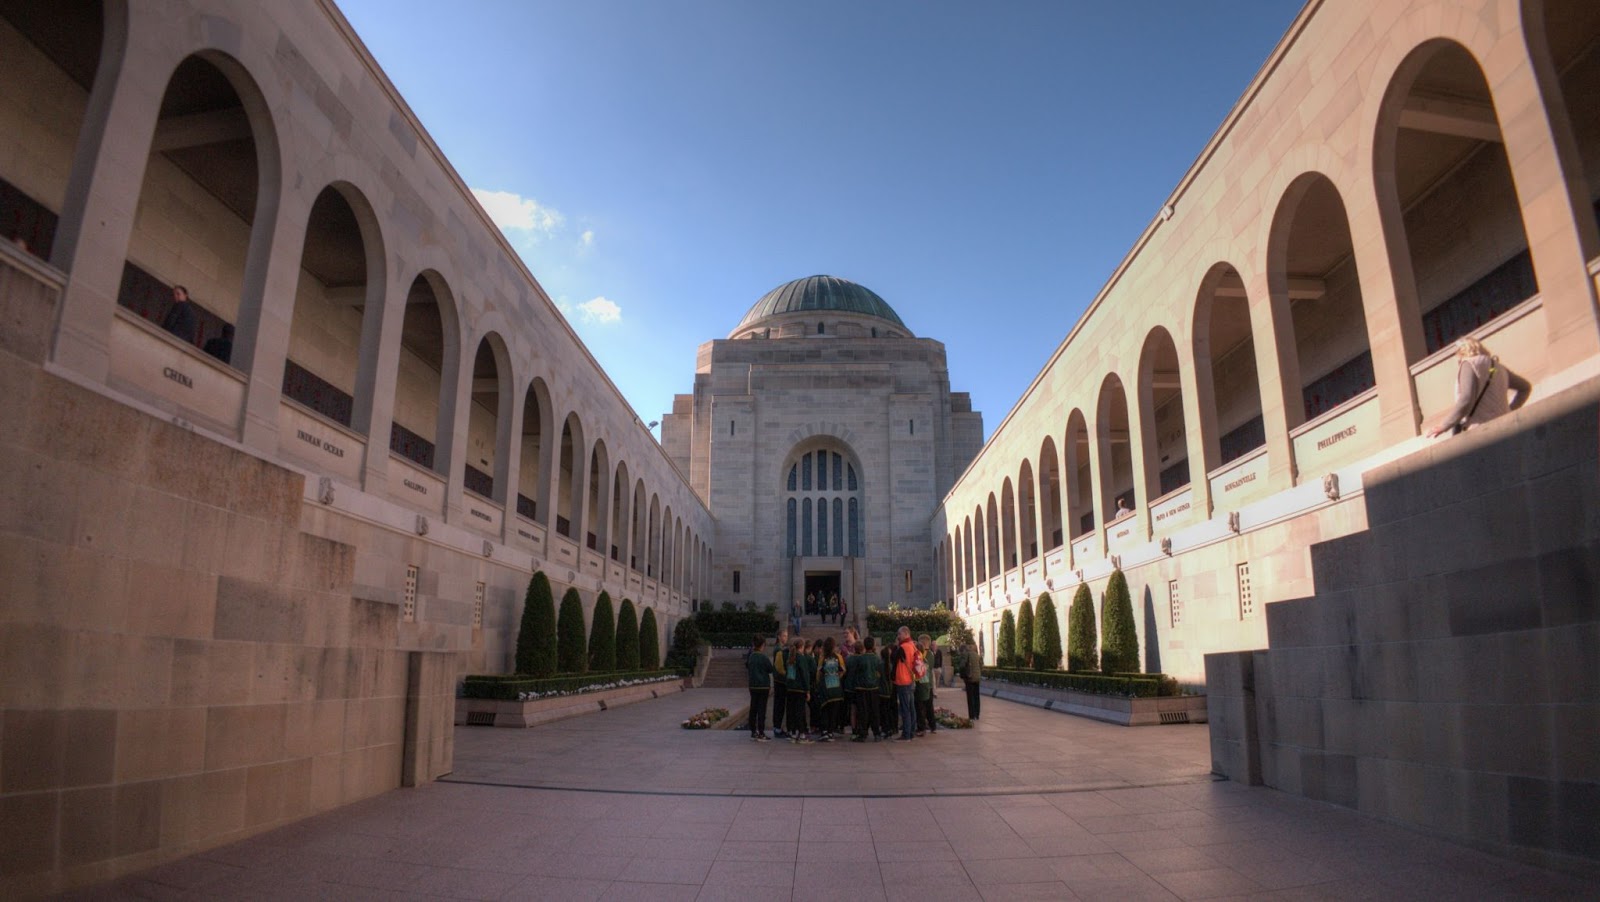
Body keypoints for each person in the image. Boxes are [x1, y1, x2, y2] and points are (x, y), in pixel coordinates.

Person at [1425, 337, 1527, 437]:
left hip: (1482, 431)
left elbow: (1466, 399)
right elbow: (1525, 388)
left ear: (1462, 352)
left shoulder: (1468, 364)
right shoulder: (1498, 368)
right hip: (1506, 427)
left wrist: (1444, 425)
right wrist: (1510, 410)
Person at [845, 636, 882, 742]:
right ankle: (876, 733)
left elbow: (856, 672)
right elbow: (879, 672)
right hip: (874, 687)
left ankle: (863, 733)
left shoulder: (860, 658)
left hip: (861, 688)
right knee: (874, 711)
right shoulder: (876, 658)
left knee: (863, 711)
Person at [891, 626, 921, 741]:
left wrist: (896, 645)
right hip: (910, 679)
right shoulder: (912, 645)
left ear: (905, 634)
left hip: (902, 680)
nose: (898, 636)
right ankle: (911, 731)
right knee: (911, 707)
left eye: (899, 634)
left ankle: (906, 734)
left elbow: (893, 657)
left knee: (905, 709)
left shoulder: (903, 647)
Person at [816, 637, 846, 741]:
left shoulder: (822, 658)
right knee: (834, 711)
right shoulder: (838, 657)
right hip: (836, 687)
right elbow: (843, 670)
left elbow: (818, 673)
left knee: (825, 709)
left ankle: (824, 731)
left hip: (826, 687)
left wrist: (818, 683)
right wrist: (837, 677)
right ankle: (830, 732)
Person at [745, 635, 774, 741]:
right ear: (762, 645)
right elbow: (770, 669)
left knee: (753, 708)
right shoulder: (763, 657)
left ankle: (753, 731)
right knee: (762, 709)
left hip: (753, 685)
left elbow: (747, 666)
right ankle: (761, 732)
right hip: (763, 686)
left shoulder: (751, 656)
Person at [784, 637, 812, 744]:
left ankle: (793, 733)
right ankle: (802, 735)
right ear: (802, 647)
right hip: (799, 689)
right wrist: (808, 690)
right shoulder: (801, 658)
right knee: (800, 712)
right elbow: (805, 675)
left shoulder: (790, 657)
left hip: (790, 688)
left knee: (791, 711)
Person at [914, 633, 938, 735]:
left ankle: (921, 728)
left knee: (920, 707)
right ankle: (933, 726)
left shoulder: (921, 654)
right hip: (929, 684)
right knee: (929, 707)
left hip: (921, 683)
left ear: (922, 643)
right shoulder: (932, 654)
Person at [770, 628, 790, 738]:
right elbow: (779, 667)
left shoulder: (781, 648)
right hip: (780, 681)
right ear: (779, 637)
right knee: (779, 705)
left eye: (786, 636)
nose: (786, 638)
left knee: (780, 705)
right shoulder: (778, 649)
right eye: (784, 636)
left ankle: (778, 727)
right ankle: (777, 728)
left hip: (780, 680)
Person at [958, 640, 982, 721]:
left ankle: (971, 715)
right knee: (976, 696)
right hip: (977, 678)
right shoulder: (976, 655)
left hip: (970, 678)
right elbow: (980, 666)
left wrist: (963, 676)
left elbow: (962, 666)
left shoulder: (966, 654)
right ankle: (977, 714)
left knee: (970, 697)